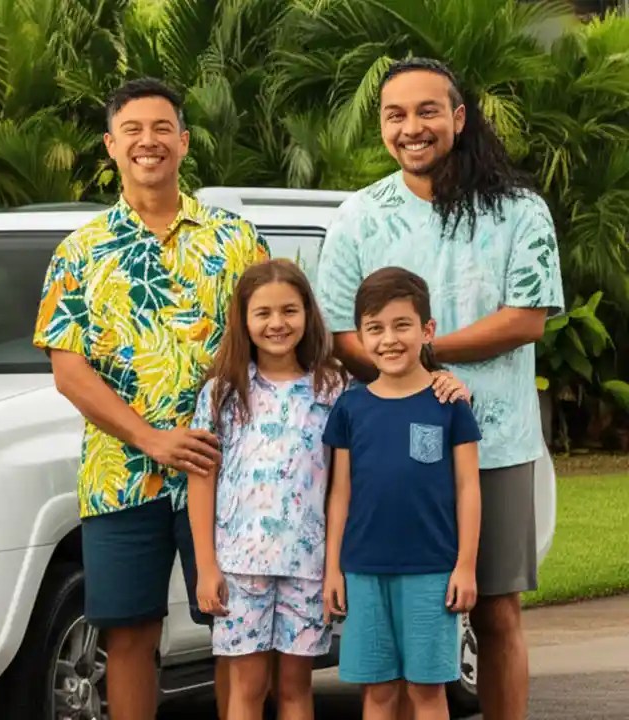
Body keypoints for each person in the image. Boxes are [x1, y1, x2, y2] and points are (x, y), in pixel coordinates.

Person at [315, 57, 564, 720]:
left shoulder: (519, 212)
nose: (411, 127)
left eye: (428, 111)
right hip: (389, 460)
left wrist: (429, 354)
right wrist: (414, 378)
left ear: (459, 116)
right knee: (394, 630)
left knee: (496, 611)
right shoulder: (359, 217)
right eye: (395, 115)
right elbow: (339, 332)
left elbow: (527, 317)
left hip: (496, 447)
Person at [33, 77, 270, 720]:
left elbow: (275, 340)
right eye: (133, 131)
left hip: (227, 472)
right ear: (111, 146)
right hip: (120, 476)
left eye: (162, 129)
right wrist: (150, 437)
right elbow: (69, 369)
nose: (149, 142)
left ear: (184, 142)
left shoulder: (235, 240)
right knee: (128, 633)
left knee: (235, 632)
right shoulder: (79, 253)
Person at [188, 260, 470, 720]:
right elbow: (202, 481)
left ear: (308, 314)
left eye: (289, 311)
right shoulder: (223, 393)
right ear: (243, 321)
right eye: (263, 313)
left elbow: (395, 391)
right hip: (239, 565)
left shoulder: (334, 387)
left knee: (297, 688)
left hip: (308, 564)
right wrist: (205, 566)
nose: (277, 323)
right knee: (248, 686)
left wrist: (446, 380)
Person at [322, 267, 483, 720]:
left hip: (431, 571)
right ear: (360, 335)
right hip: (365, 571)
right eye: (375, 328)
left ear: (427, 330)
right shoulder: (350, 408)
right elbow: (340, 494)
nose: (388, 339)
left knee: (427, 691)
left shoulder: (450, 404)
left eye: (401, 325)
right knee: (378, 693)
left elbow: (469, 488)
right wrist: (334, 569)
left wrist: (465, 566)